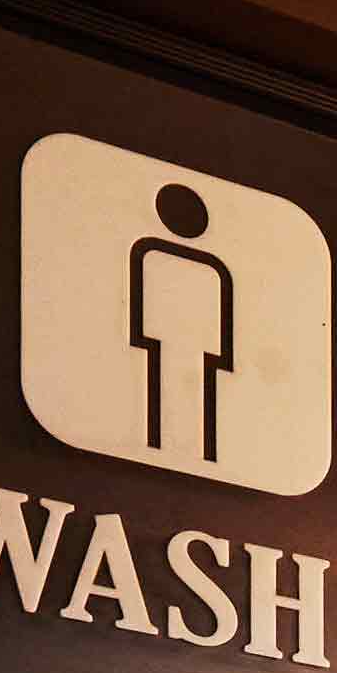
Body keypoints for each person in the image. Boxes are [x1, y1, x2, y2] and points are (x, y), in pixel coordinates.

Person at [129, 184, 236, 467]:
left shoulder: (198, 273)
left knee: (182, 408)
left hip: (189, 353)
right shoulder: (166, 265)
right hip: (173, 349)